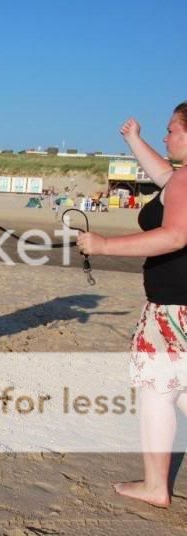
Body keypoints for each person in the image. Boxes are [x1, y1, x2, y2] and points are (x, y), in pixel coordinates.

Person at [77, 102, 187, 508]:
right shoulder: (178, 179)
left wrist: (105, 245)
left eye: (172, 130)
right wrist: (133, 139)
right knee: (175, 390)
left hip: (175, 310)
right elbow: (163, 175)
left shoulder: (186, 181)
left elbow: (175, 235)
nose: (166, 136)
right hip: (176, 308)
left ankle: (156, 486)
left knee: (157, 392)